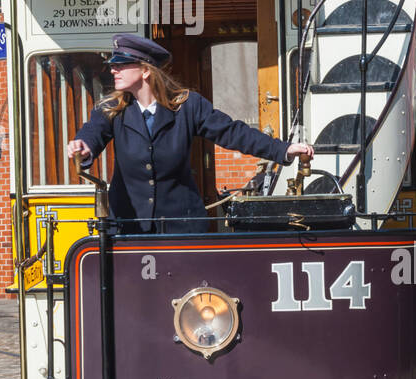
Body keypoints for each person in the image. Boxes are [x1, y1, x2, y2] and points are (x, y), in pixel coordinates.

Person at [66, 35, 314, 233]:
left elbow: (232, 132)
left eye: (121, 64)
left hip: (181, 228)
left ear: (145, 71)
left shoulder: (188, 106)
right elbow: (93, 132)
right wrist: (83, 147)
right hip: (129, 227)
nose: (113, 70)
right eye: (113, 65)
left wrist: (283, 149)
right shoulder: (111, 109)